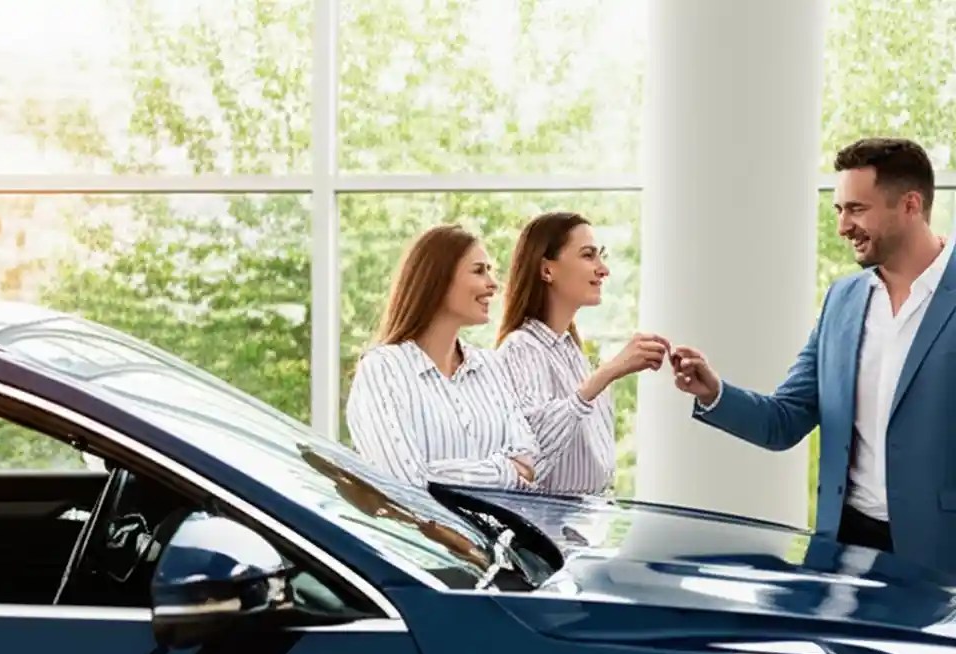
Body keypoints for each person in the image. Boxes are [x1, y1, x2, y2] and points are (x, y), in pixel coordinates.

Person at [670, 137, 956, 572]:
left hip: (941, 555)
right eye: (839, 209)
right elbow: (783, 420)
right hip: (843, 550)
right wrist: (715, 393)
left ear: (911, 205)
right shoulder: (842, 300)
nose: (842, 226)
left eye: (857, 209)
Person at [345, 224, 541, 491]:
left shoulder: (491, 367)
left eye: (490, 271)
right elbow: (403, 487)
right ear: (437, 280)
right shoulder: (383, 370)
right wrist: (505, 471)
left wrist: (433, 473)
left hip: (496, 534)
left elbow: (529, 468)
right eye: (478, 270)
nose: (493, 284)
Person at [495, 212, 669, 495]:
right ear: (546, 270)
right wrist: (607, 374)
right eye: (588, 256)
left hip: (586, 530)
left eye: (601, 256)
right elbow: (530, 456)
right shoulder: (521, 348)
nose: (603, 270)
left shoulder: (572, 352)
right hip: (547, 533)